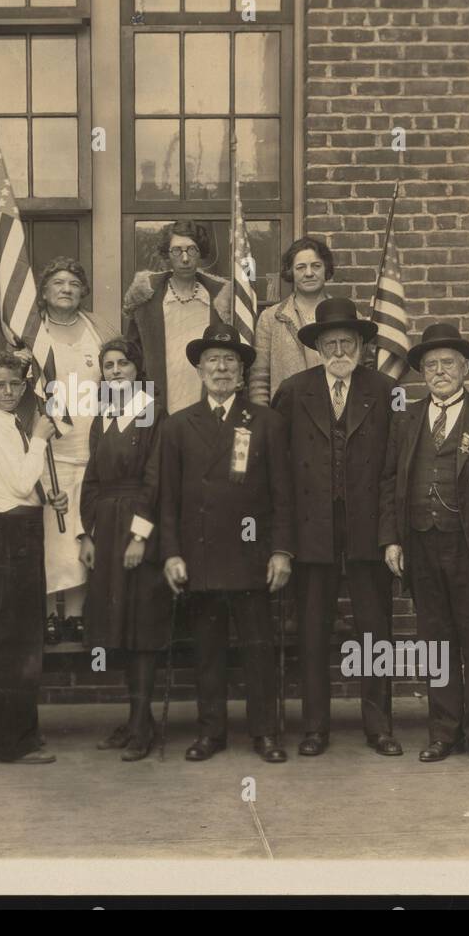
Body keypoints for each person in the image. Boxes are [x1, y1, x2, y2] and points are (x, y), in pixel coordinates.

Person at [380, 323, 469, 766]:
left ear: (465, 368)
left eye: (448, 363)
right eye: (431, 365)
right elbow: (389, 483)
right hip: (421, 545)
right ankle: (443, 732)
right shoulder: (405, 418)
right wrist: (391, 539)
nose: (440, 371)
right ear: (422, 372)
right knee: (435, 643)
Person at [272, 297, 401, 759]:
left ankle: (379, 726)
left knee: (375, 631)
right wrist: (283, 541)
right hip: (313, 530)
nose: (340, 349)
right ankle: (314, 727)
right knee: (312, 630)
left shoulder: (385, 390)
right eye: (331, 342)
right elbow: (279, 472)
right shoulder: (293, 391)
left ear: (362, 347)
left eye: (348, 341)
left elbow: (396, 470)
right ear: (318, 347)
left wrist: (391, 534)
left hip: (368, 529)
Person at [160, 324, 294, 764]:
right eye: (212, 360)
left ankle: (265, 733)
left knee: (258, 650)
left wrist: (280, 551)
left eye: (230, 360)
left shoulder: (267, 423)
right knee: (208, 652)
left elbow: (282, 494)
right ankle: (210, 732)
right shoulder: (178, 426)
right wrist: (172, 553)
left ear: (242, 372)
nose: (221, 368)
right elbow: (169, 499)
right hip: (200, 556)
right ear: (199, 370)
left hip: (251, 554)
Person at [0, 351, 70, 764]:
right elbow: (20, 479)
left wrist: (50, 496)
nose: (9, 392)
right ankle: (6, 742)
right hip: (10, 534)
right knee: (15, 640)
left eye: (15, 384)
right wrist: (42, 435)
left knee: (26, 637)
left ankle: (22, 732)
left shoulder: (8, 424)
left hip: (23, 526)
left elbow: (25, 486)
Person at [77, 337, 171, 762]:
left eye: (123, 365)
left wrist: (140, 536)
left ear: (138, 370)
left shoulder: (153, 414)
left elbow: (157, 482)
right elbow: (92, 480)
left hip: (138, 528)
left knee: (141, 628)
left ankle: (140, 726)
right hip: (108, 528)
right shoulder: (102, 417)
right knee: (116, 627)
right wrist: (89, 534)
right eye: (109, 366)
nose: (115, 372)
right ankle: (138, 718)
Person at [30, 257, 110, 645]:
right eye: (58, 282)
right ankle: (47, 614)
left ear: (83, 291)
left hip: (91, 446)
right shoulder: (30, 334)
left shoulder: (98, 330)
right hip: (48, 446)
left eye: (74, 283)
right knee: (51, 532)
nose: (66, 288)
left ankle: (76, 614)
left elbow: (121, 378)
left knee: (82, 529)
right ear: (43, 292)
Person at [121, 220, 231, 415]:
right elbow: (132, 354)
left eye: (192, 250)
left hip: (205, 396)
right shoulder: (149, 296)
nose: (185, 258)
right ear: (167, 254)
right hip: (158, 398)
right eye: (177, 251)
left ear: (201, 253)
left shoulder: (217, 297)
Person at [248, 236, 334, 404]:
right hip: (287, 415)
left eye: (316, 266)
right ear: (291, 272)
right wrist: (266, 420)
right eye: (300, 267)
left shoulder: (347, 316)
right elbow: (259, 379)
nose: (309, 273)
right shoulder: (271, 318)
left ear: (326, 269)